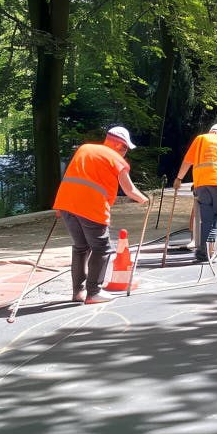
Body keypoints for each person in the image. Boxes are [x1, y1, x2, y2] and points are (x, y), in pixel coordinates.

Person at [53, 126, 148, 304]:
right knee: (101, 248)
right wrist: (146, 201)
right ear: (122, 146)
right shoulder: (117, 159)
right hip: (91, 207)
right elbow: (130, 190)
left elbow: (71, 175)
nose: (125, 153)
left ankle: (78, 292)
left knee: (81, 247)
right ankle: (94, 292)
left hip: (66, 203)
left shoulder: (85, 149)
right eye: (125, 149)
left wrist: (59, 206)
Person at [174, 123, 217, 262]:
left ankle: (203, 249)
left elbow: (187, 161)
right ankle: (212, 240)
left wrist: (179, 178)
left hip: (201, 185)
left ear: (211, 131)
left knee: (207, 219)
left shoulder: (201, 139)